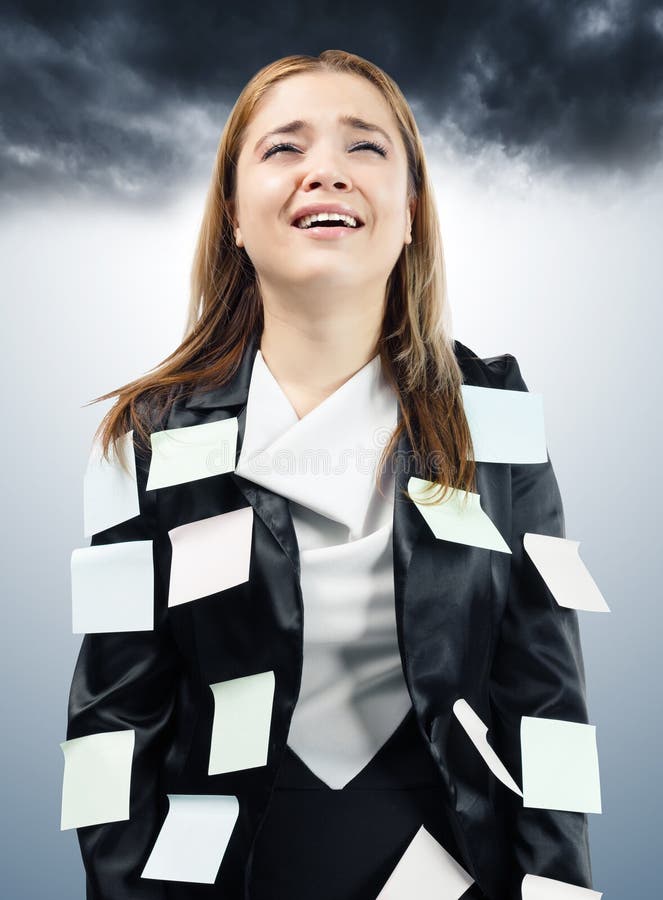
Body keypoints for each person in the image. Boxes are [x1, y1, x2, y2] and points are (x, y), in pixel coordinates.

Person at [64, 50, 595, 899]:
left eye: (365, 148)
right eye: (283, 149)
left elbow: (545, 700)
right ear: (232, 214)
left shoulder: (492, 415)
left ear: (411, 211)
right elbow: (112, 727)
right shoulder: (151, 436)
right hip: (234, 874)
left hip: (452, 866)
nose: (325, 172)